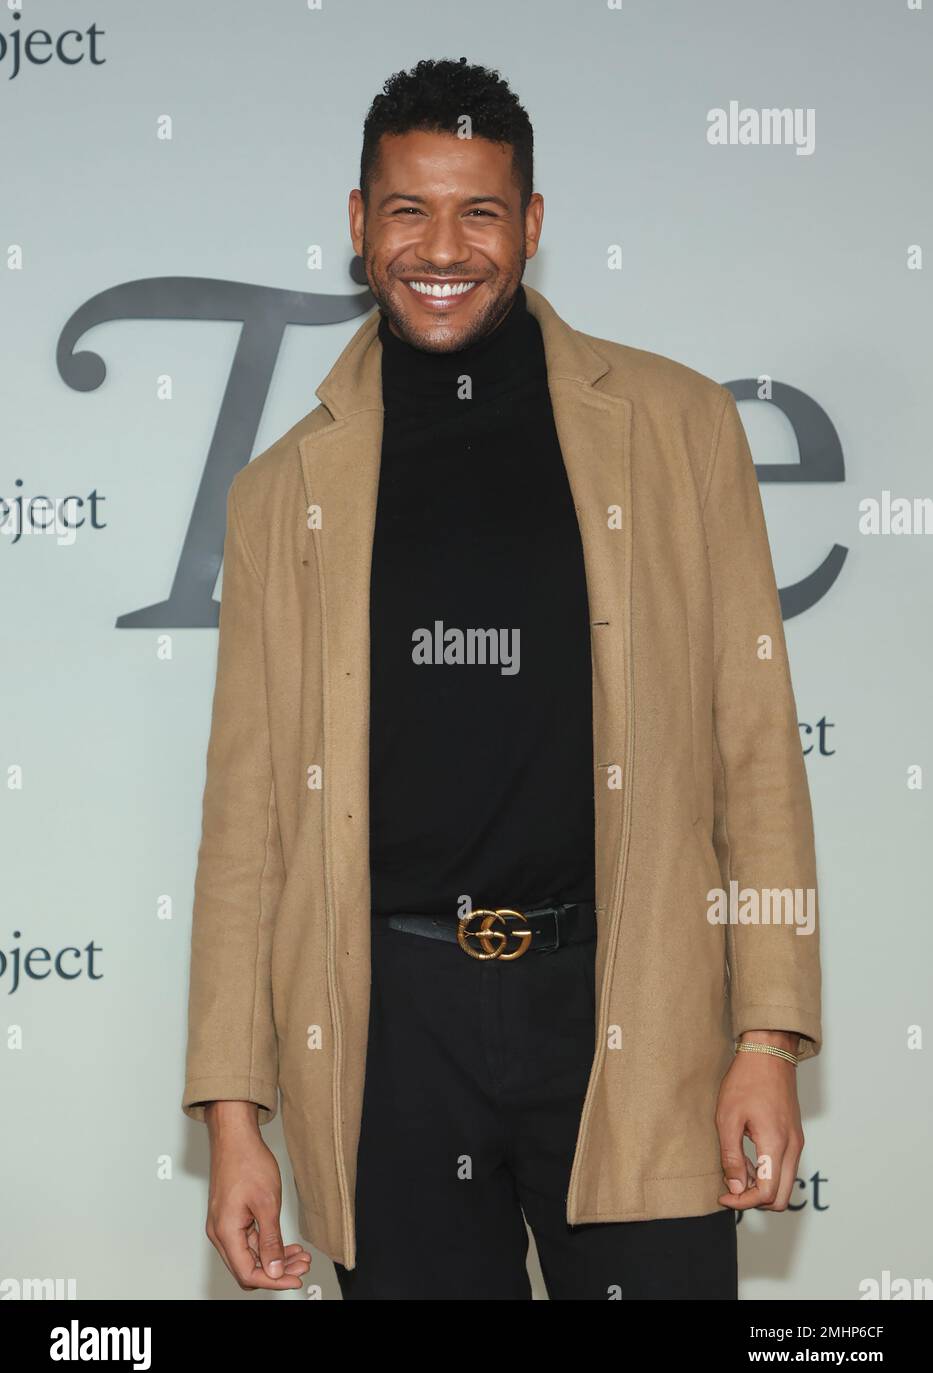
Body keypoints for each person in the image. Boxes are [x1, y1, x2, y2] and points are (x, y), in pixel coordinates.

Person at [182, 57, 822, 1300]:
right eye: (409, 209)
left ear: (531, 226)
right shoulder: (279, 496)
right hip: (392, 1037)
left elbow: (757, 755)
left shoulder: (679, 427)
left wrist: (767, 1035)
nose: (443, 246)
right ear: (359, 224)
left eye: (479, 210)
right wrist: (232, 1114)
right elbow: (245, 830)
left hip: (632, 1005)